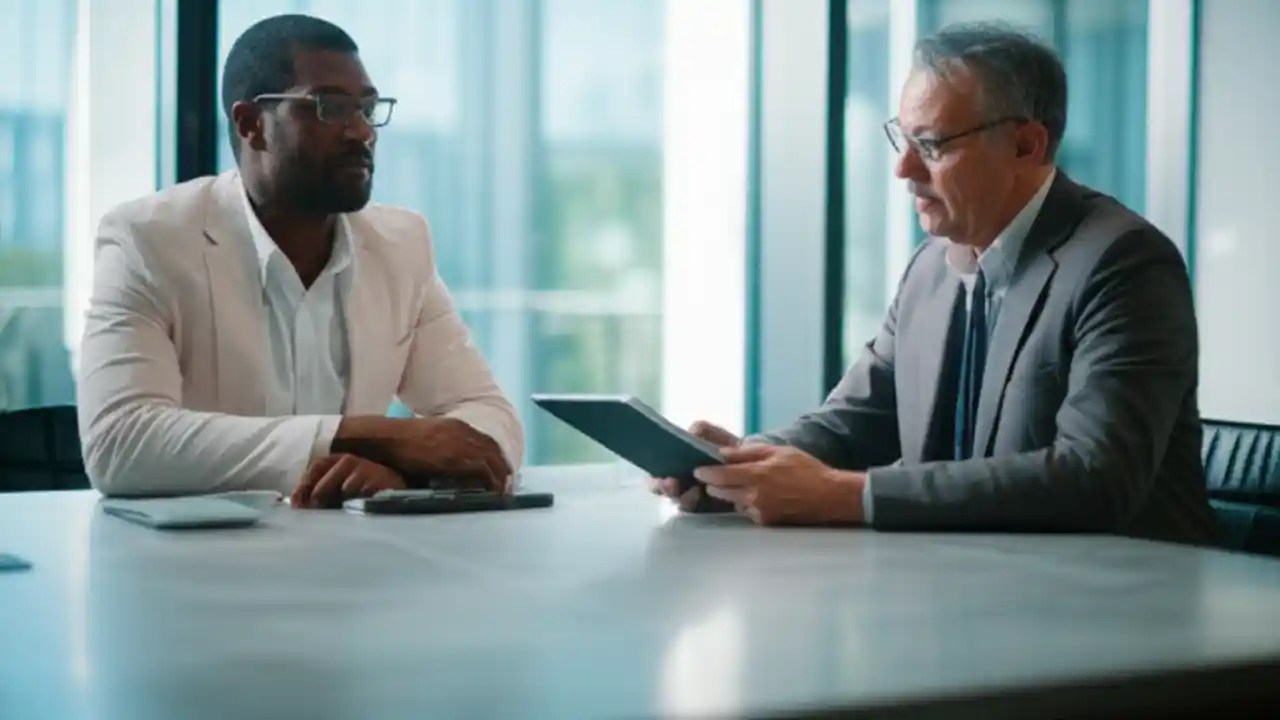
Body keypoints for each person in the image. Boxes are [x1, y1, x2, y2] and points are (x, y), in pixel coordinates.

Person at [653, 23, 1218, 545]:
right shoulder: (930, 267)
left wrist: (845, 494)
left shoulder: (1122, 262)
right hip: (966, 594)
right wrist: (742, 464)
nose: (904, 171)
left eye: (933, 146)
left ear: (1026, 145)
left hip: (1128, 615)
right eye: (904, 139)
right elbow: (857, 421)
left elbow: (1094, 478)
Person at [77, 14, 522, 508]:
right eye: (329, 108)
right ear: (251, 125)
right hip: (201, 563)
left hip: (357, 562)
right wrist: (368, 436)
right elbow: (121, 443)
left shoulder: (402, 244)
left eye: (368, 109)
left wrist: (394, 468)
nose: (361, 132)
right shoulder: (150, 239)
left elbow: (489, 417)